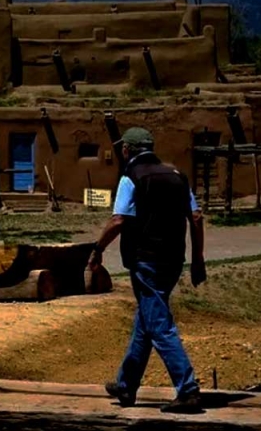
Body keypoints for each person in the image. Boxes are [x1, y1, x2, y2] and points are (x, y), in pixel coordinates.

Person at [90, 127, 205, 414]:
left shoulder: (132, 177)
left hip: (146, 261)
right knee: (146, 320)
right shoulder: (177, 176)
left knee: (159, 326)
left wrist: (97, 248)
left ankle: (188, 390)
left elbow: (118, 221)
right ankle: (126, 385)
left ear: (128, 150)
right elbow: (196, 216)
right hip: (173, 260)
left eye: (123, 149)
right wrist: (198, 258)